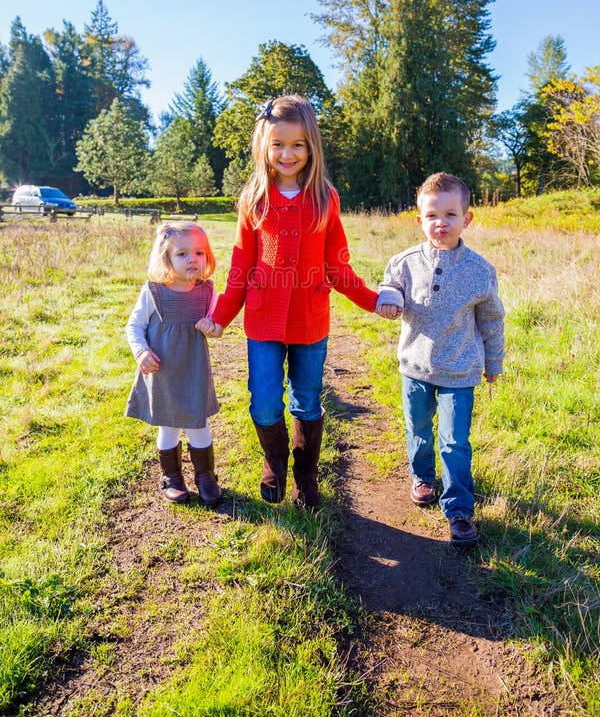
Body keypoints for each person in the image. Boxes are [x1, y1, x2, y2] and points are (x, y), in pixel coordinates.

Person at [199, 94, 381, 510]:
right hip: (262, 320)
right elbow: (241, 264)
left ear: (311, 147)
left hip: (310, 320)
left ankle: (305, 477)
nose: (287, 153)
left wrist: (373, 300)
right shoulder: (253, 198)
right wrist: (222, 315)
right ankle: (274, 461)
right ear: (264, 144)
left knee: (307, 400)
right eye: (278, 144)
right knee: (264, 401)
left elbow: (339, 264)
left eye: (297, 145)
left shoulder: (325, 198)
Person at [376, 172, 504, 546]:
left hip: (460, 370)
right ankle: (423, 477)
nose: (441, 223)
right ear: (419, 220)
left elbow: (492, 320)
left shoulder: (480, 271)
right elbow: (391, 286)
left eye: (450, 214)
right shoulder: (404, 261)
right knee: (417, 428)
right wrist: (389, 299)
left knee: (454, 440)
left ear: (467, 218)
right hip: (414, 366)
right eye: (432, 215)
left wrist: (493, 362)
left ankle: (460, 509)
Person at [125, 221, 221, 506]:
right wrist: (141, 352)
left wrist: (213, 328)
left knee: (198, 423)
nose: (192, 258)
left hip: (194, 369)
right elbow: (134, 326)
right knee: (168, 424)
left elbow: (217, 326)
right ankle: (172, 477)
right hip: (163, 369)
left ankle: (205, 476)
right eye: (182, 254)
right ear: (166, 257)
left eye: (199, 253)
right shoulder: (154, 291)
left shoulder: (207, 291)